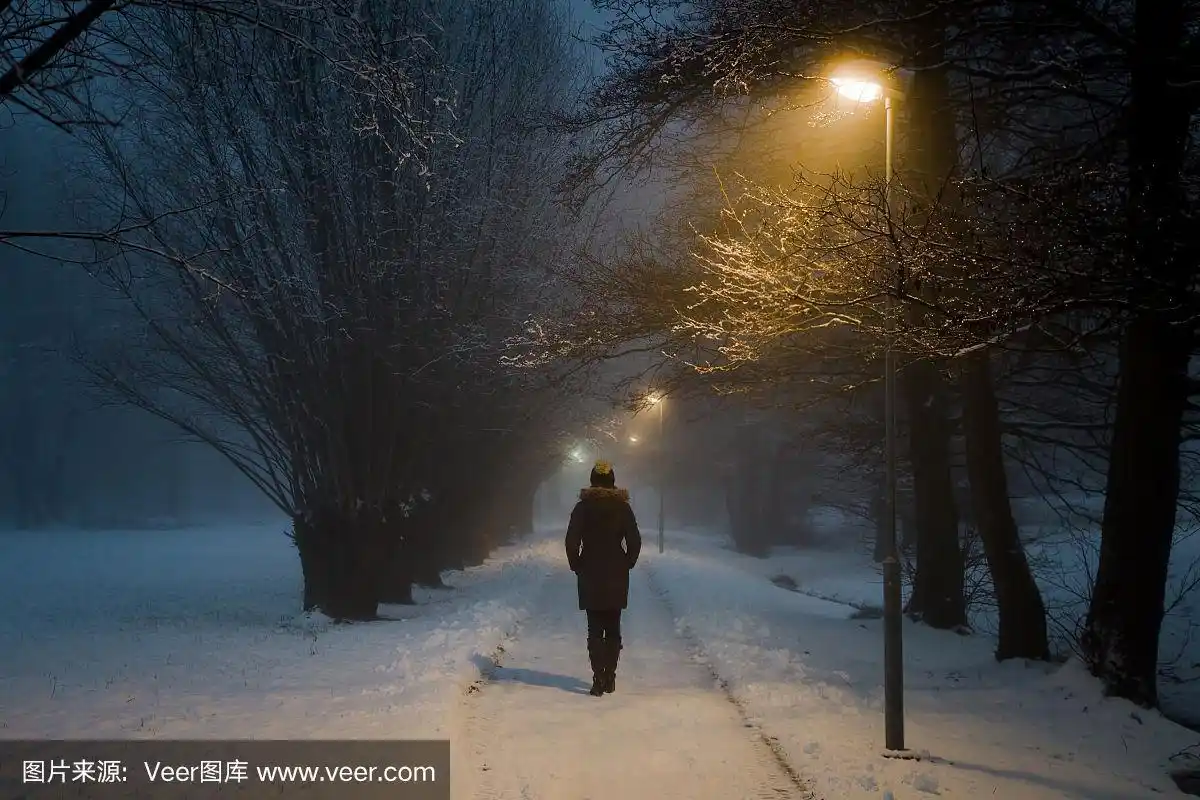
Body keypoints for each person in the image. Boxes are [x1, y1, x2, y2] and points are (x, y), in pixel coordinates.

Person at [565, 460, 642, 696]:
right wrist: (626, 563)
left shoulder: (582, 508)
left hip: (590, 571)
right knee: (614, 626)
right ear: (612, 481)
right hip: (616, 573)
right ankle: (610, 676)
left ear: (592, 481)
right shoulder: (623, 508)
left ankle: (598, 678)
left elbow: (571, 541)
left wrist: (577, 564)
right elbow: (635, 541)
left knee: (595, 628)